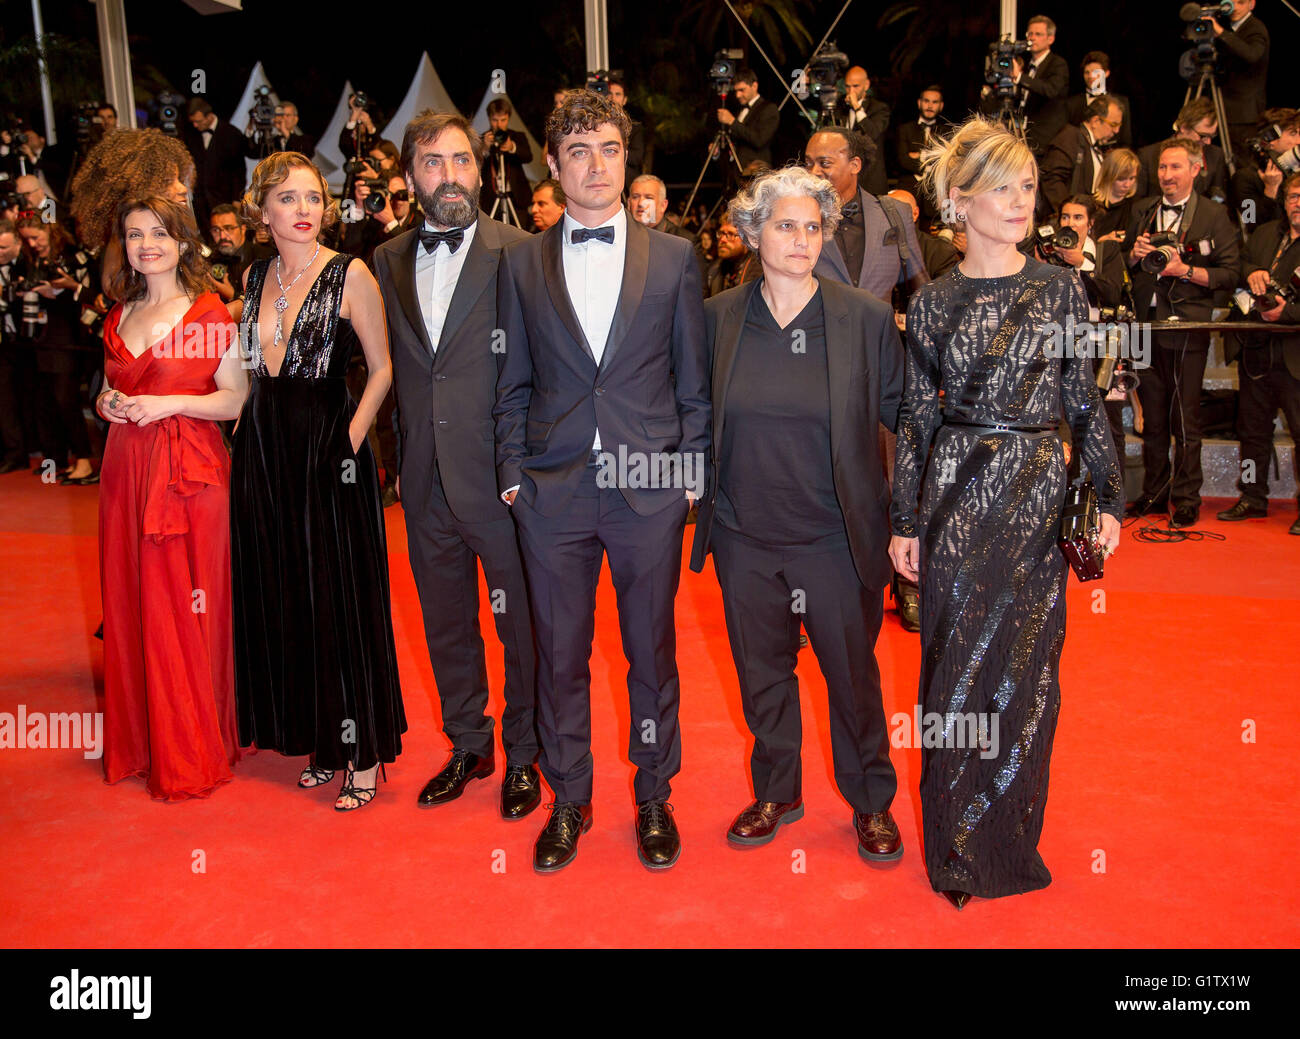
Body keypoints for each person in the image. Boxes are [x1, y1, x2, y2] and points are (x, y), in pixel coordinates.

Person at [889, 117, 1123, 908]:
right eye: (1003, 187)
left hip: (1032, 492)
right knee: (953, 675)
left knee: (1025, 676)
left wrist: (1109, 498)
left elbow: (1083, 402)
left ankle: (1008, 845)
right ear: (960, 200)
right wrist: (903, 522)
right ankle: (954, 850)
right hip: (956, 493)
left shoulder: (1060, 286)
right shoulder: (931, 302)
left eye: (1027, 185)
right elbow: (918, 422)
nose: (1022, 200)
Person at [495, 89, 710, 872]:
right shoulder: (520, 263)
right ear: (552, 165)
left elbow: (694, 382)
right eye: (578, 152)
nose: (596, 165)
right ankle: (570, 797)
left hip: (648, 488)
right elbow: (511, 381)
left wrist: (690, 475)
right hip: (551, 491)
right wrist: (512, 475)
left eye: (610, 149)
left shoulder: (677, 258)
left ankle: (654, 795)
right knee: (558, 653)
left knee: (650, 653)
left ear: (627, 158)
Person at [689, 165, 906, 861]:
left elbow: (907, 419)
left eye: (813, 227)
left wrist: (912, 519)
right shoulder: (717, 317)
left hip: (836, 539)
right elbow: (691, 415)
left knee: (853, 679)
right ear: (754, 232)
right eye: (786, 225)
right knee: (763, 676)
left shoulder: (864, 318)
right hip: (745, 538)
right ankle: (776, 790)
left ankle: (871, 800)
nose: (801, 239)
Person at [371, 111, 540, 819]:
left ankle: (527, 755)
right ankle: (469, 742)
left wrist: (525, 464)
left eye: (461, 160)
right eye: (432, 162)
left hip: (503, 480)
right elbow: (393, 369)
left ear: (481, 168)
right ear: (410, 177)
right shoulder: (384, 260)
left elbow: (543, 372)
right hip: (424, 478)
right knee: (445, 621)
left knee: (521, 625)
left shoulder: (523, 252)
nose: (449, 174)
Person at [231, 152, 405, 810]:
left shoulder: (349, 273)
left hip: (330, 445)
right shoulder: (253, 276)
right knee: (287, 593)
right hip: (267, 450)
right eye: (289, 198)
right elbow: (248, 375)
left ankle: (362, 754)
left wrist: (352, 440)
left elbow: (383, 368)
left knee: (340, 597)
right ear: (263, 209)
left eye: (313, 197)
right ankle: (316, 739)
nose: (305, 209)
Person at [93, 196, 245, 799]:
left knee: (186, 605)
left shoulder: (210, 315)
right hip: (125, 468)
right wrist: (107, 403)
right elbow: (111, 384)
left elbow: (235, 399)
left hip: (190, 476)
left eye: (159, 233)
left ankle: (191, 742)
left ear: (184, 242)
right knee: (134, 598)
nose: (146, 244)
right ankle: (145, 741)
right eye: (134, 235)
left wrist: (169, 403)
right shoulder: (120, 312)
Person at [1124, 137, 1241, 527]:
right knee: (1153, 419)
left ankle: (1187, 497)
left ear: (1196, 168)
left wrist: (1185, 271)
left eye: (1175, 167)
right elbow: (1126, 267)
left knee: (1184, 418)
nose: (1167, 175)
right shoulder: (1143, 210)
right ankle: (1155, 494)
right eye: (1162, 168)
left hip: (1187, 324)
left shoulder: (1212, 215)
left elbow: (1230, 274)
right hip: (1144, 326)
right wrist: (1134, 254)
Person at [1219, 172, 1300, 533]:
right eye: (1293, 195)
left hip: (1296, 354)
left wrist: (1289, 313)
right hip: (1256, 352)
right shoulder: (1266, 233)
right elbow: (1240, 266)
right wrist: (1253, 273)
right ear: (1284, 201)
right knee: (1252, 432)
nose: (1298, 202)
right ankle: (1252, 496)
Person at [804, 127, 928, 306]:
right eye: (808, 164)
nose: (814, 171)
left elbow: (919, 289)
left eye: (824, 163)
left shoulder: (894, 213)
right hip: (818, 332)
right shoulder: (797, 219)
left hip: (880, 332)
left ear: (854, 165)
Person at [16, 215, 97, 483]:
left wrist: (65, 288)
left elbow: (91, 295)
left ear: (50, 232)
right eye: (27, 239)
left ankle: (83, 461)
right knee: (45, 402)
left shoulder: (72, 258)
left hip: (69, 340)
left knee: (67, 400)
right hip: (40, 339)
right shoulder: (31, 260)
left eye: (37, 238)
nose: (33, 243)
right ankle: (56, 460)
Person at [1040, 95, 1123, 215]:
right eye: (1113, 124)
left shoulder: (1091, 144)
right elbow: (1051, 179)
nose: (1117, 131)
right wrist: (1068, 214)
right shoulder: (1070, 137)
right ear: (1095, 121)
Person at [1209, 0, 1269, 164]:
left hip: (1244, 114)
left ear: (1252, 4)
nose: (1234, 7)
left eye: (1241, 2)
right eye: (1230, 2)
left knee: (1241, 161)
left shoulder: (1255, 28)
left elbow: (1251, 55)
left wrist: (1221, 33)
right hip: (1223, 108)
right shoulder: (1228, 27)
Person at [1136, 99, 1227, 202]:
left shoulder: (1215, 155)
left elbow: (1218, 197)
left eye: (1212, 136)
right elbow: (1138, 205)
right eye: (1203, 136)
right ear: (1184, 127)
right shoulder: (1148, 156)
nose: (1208, 142)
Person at [184, 98, 247, 227]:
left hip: (225, 198)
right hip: (200, 199)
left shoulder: (231, 133)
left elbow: (239, 170)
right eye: (193, 122)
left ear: (209, 116)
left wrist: (237, 199)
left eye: (198, 121)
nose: (195, 125)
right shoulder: (190, 134)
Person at [480, 98, 533, 229]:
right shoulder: (482, 139)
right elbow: (474, 165)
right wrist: (484, 148)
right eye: (495, 120)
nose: (499, 125)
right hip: (491, 199)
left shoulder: (517, 136)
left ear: (508, 118)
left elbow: (528, 157)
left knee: (520, 233)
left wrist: (512, 147)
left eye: (503, 120)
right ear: (489, 119)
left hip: (516, 198)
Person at [1064, 51, 1132, 149]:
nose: (1091, 76)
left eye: (1096, 72)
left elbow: (1126, 140)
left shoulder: (1122, 102)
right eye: (1087, 72)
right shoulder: (1072, 104)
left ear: (1107, 73)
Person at [717, 69, 779, 171]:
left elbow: (759, 140)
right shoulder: (738, 108)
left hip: (755, 172)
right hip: (734, 171)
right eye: (736, 91)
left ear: (754, 86)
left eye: (742, 90)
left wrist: (732, 122)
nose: (738, 95)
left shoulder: (769, 109)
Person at [1091, 147, 1140, 242]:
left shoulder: (1136, 207)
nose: (1127, 185)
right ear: (1108, 176)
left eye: (1132, 178)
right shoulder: (1091, 206)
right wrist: (1102, 241)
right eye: (1121, 179)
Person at [707, 216, 760, 297]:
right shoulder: (715, 269)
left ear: (747, 239)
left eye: (731, 234)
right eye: (721, 234)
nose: (722, 240)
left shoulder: (758, 271)